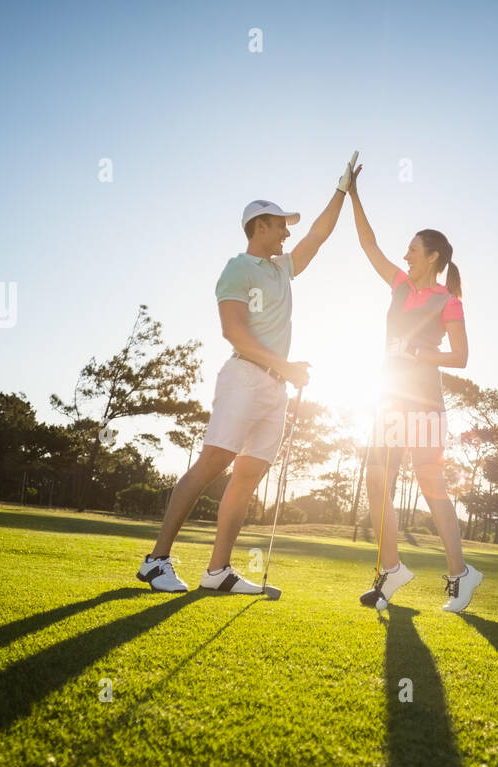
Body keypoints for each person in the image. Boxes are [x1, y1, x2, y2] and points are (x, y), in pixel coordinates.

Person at [137, 158, 355, 593]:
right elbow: (231, 329)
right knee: (214, 461)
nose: (287, 233)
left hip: (275, 388)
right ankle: (156, 561)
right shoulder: (237, 268)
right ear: (259, 227)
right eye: (279, 226)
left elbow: (318, 234)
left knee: (249, 474)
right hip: (244, 378)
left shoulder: (282, 269)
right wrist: (285, 366)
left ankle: (217, 571)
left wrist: (341, 191)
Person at [346, 163, 482, 613]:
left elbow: (460, 356)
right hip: (390, 398)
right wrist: (352, 194)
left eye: (412, 251)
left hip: (423, 401)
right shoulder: (400, 285)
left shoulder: (449, 300)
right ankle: (392, 570)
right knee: (376, 478)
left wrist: (419, 354)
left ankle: (461, 574)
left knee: (428, 481)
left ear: (432, 258)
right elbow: (369, 244)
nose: (405, 257)